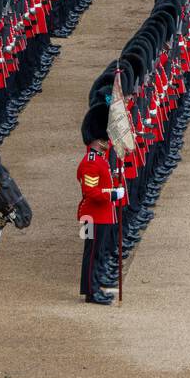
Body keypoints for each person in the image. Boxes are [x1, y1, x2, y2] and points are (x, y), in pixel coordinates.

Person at [77, 103, 122, 305]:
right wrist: (112, 194)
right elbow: (91, 192)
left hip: (102, 215)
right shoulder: (91, 162)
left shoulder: (99, 159)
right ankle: (91, 292)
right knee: (92, 253)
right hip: (93, 216)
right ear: (98, 139)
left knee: (98, 253)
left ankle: (94, 287)